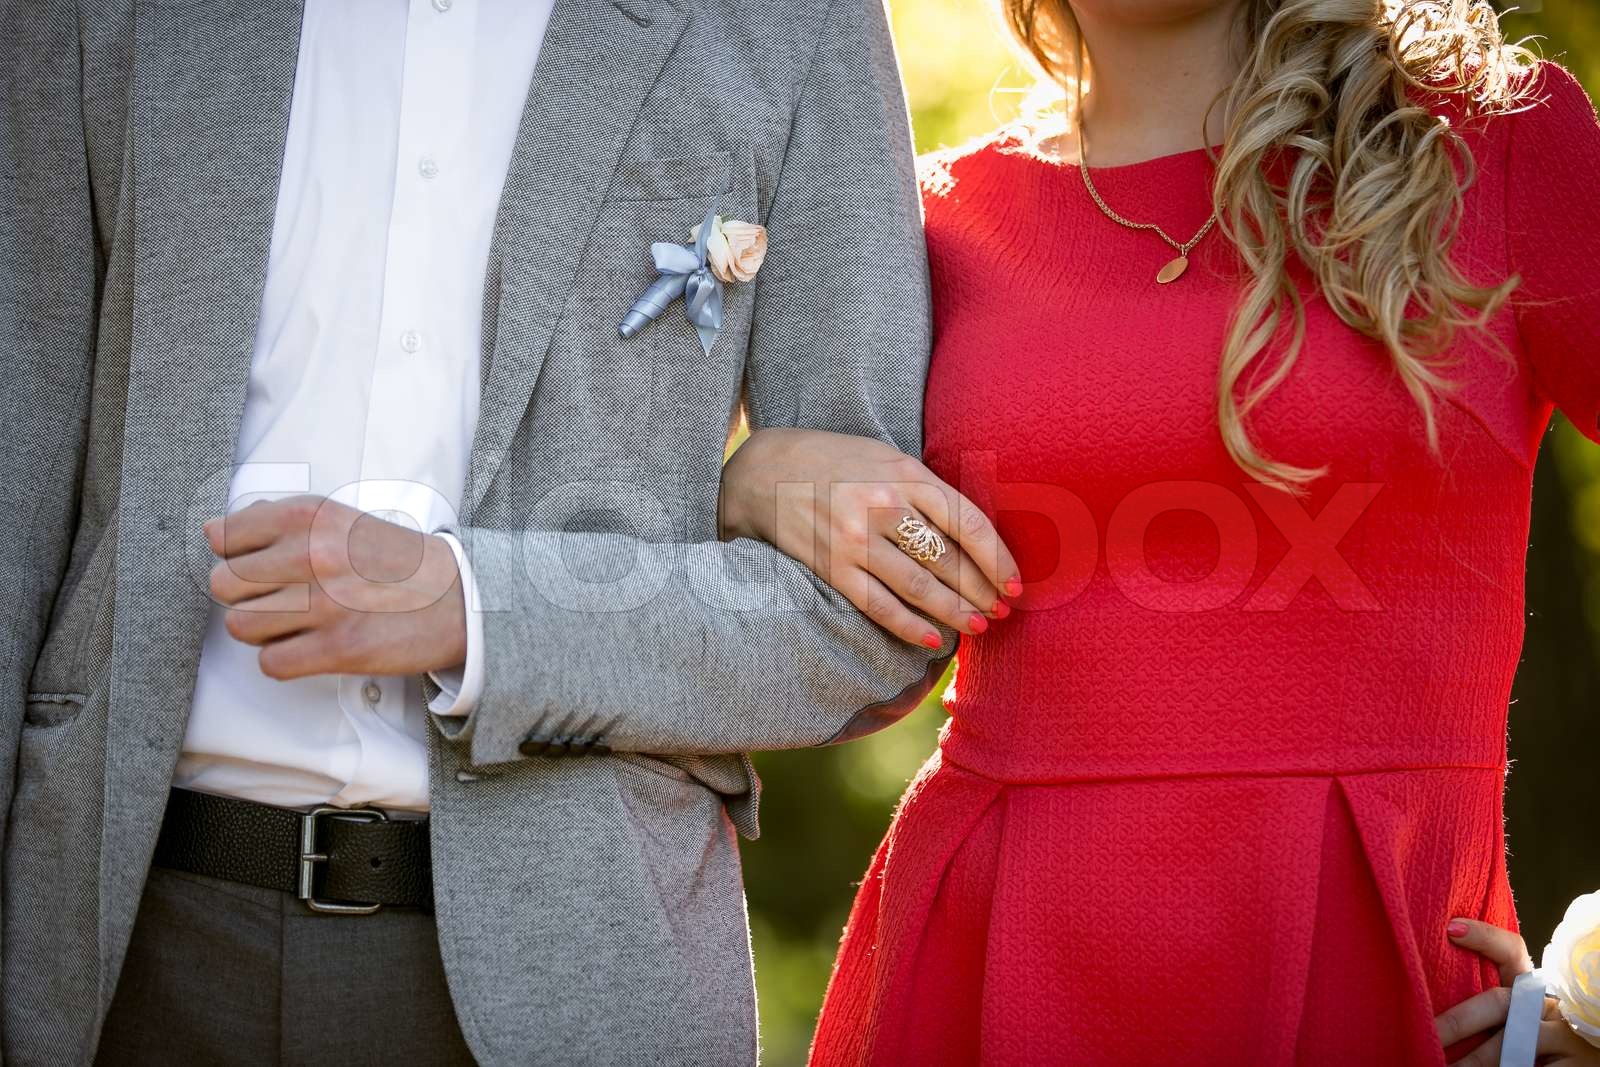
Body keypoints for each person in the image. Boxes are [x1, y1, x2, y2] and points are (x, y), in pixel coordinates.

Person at [0, 1, 951, 1063]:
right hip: (115, 948)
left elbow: (871, 617)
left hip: (581, 972)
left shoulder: (788, 24)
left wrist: (478, 609)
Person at [717, 0, 1600, 1061]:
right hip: (990, 961)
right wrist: (751, 477)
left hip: (1381, 969)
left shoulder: (1485, 142)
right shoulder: (931, 222)